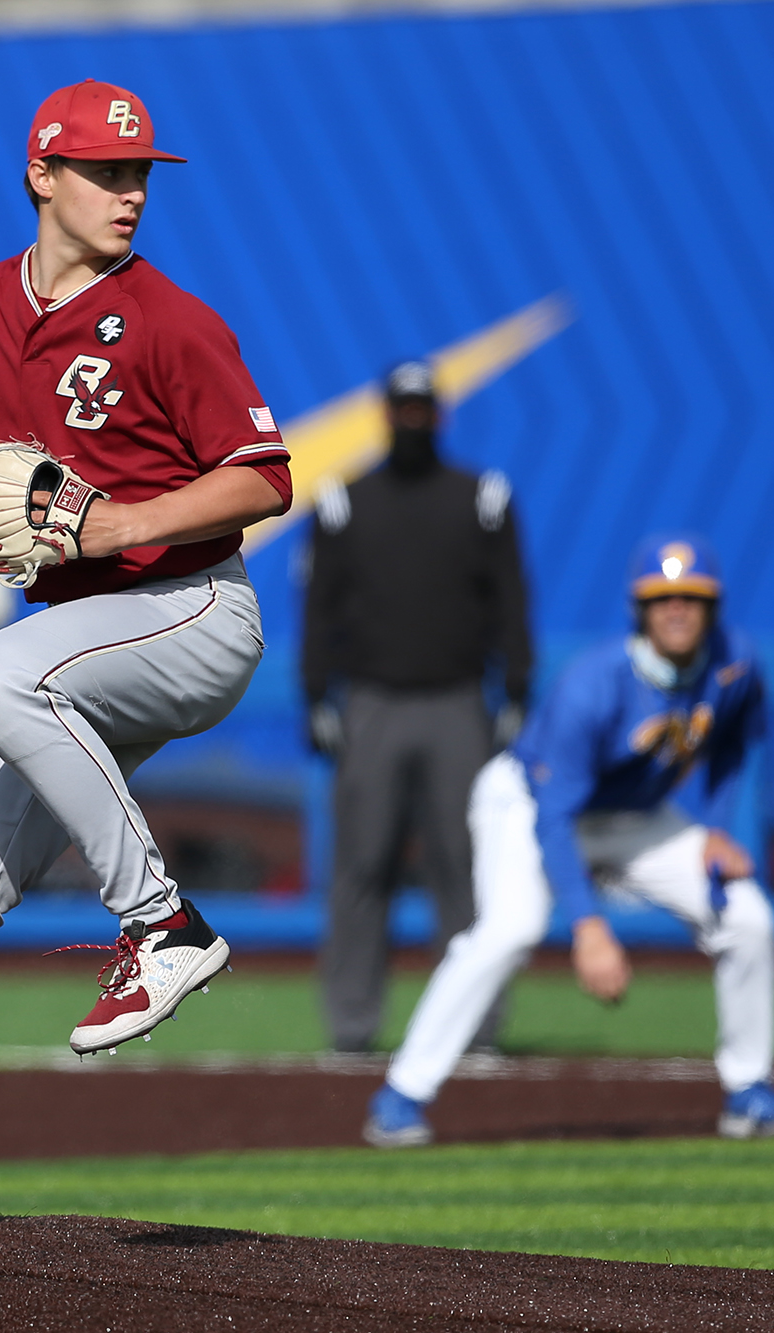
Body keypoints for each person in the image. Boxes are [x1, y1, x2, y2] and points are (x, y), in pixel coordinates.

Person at [0, 78, 292, 1233]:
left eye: (141, 172)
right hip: (73, 641)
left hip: (190, 611)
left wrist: (114, 520)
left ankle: (161, 924)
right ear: (40, 176)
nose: (130, 191)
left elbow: (264, 477)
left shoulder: (169, 319)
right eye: (107, 170)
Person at [363, 534, 774, 1146]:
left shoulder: (736, 663)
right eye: (661, 599)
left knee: (749, 918)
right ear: (639, 610)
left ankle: (749, 1090)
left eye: (691, 597)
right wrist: (589, 926)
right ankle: (403, 1092)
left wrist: (713, 828)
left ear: (713, 606)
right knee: (510, 930)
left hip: (638, 816)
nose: (676, 609)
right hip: (528, 804)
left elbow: (735, 743)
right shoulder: (593, 685)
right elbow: (554, 819)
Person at [301, 360, 533, 1053]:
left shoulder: (481, 498)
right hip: (373, 700)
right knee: (361, 867)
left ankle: (477, 1028)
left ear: (440, 414)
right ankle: (352, 1028)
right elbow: (321, 607)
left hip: (458, 701)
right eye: (401, 409)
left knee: (465, 869)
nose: (412, 420)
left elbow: (512, 600)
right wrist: (318, 695)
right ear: (384, 413)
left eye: (422, 409)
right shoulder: (345, 500)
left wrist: (516, 690)